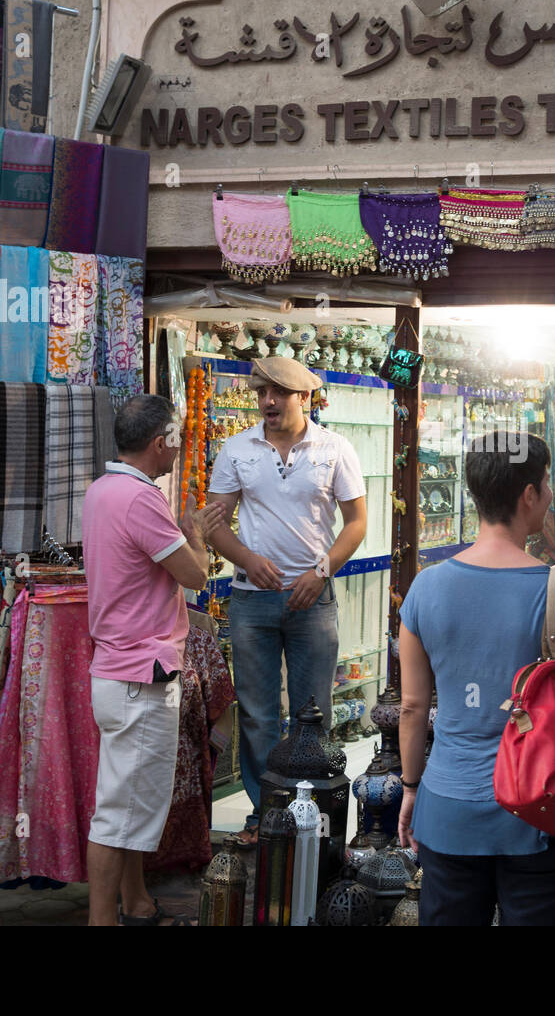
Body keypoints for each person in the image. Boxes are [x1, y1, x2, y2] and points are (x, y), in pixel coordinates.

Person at [396, 431, 555, 927]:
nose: (549, 496)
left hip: (449, 806)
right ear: (528, 494)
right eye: (546, 484)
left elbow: (413, 709)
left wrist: (412, 788)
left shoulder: (426, 586)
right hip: (541, 808)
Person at [205, 357, 368, 846]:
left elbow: (357, 523)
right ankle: (264, 814)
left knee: (311, 710)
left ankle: (311, 813)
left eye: (278, 393)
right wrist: (246, 558)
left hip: (312, 601)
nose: (267, 402)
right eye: (261, 393)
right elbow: (212, 522)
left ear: (304, 398)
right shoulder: (236, 449)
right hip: (252, 600)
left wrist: (321, 573)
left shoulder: (335, 449)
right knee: (256, 712)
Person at [83, 394, 225, 927]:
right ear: (161, 442)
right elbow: (194, 575)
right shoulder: (142, 500)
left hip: (120, 671)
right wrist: (196, 535)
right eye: (177, 439)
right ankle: (103, 920)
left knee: (129, 804)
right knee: (118, 813)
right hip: (139, 675)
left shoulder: (103, 490)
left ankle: (136, 901)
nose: (179, 448)